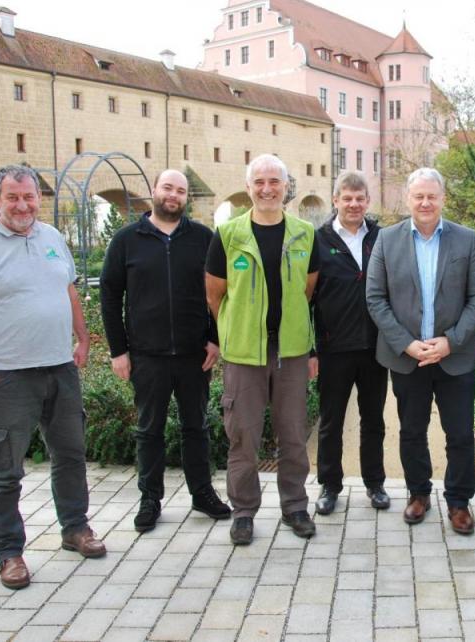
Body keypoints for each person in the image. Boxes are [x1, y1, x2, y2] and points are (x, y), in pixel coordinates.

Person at [0, 164, 106, 590]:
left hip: (60, 368)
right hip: (7, 376)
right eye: (13, 197)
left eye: (29, 197)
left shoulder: (52, 238)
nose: (22, 205)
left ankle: (75, 528)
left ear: (39, 198)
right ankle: (9, 553)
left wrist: (83, 338)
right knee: (5, 470)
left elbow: (68, 291)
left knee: (71, 456)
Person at [100, 169, 232, 534]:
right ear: (154, 191)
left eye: (181, 191)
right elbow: (110, 297)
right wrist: (118, 351)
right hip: (147, 355)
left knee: (197, 427)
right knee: (149, 429)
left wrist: (215, 339)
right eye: (167, 188)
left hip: (194, 354)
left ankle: (202, 493)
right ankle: (150, 498)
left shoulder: (204, 238)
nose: (173, 195)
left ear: (187, 198)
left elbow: (220, 294)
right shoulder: (127, 240)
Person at [366, 167, 475, 535]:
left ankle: (458, 501)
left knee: (460, 433)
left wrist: (451, 340)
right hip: (408, 357)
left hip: (455, 355)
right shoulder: (387, 241)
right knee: (412, 431)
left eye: (431, 196)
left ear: (442, 199)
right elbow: (375, 297)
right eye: (418, 196)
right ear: (408, 199)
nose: (425, 202)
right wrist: (406, 343)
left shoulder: (467, 240)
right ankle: (418, 493)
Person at [205, 154, 320, 544]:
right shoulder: (227, 235)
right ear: (249, 187)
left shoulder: (305, 233)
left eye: (275, 181)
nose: (267, 189)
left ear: (286, 186)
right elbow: (216, 295)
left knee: (292, 434)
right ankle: (243, 512)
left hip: (290, 352)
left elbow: (308, 291)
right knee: (243, 437)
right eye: (260, 182)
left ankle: (295, 506)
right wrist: (237, 331)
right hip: (243, 355)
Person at [311, 170, 389, 515]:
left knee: (374, 420)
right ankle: (329, 485)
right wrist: (311, 349)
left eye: (360, 198)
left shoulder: (383, 238)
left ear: (367, 201)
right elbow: (306, 298)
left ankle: (375, 483)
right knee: (331, 420)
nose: (354, 204)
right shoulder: (317, 239)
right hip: (333, 347)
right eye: (347, 198)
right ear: (335, 201)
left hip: (375, 347)